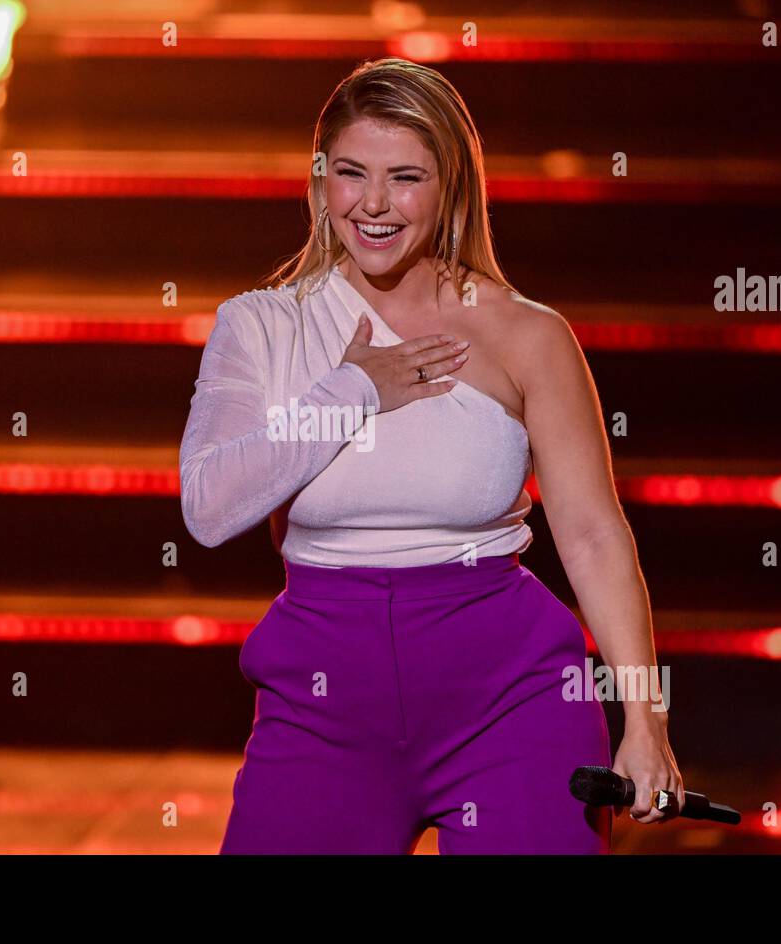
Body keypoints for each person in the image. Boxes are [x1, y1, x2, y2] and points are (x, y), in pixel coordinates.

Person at [180, 57, 682, 854]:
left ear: (451, 184)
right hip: (323, 704)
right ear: (321, 180)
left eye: (405, 177)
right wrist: (352, 390)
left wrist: (646, 724)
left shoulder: (529, 334)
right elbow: (207, 509)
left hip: (513, 699)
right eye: (351, 173)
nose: (373, 204)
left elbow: (593, 535)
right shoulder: (262, 326)